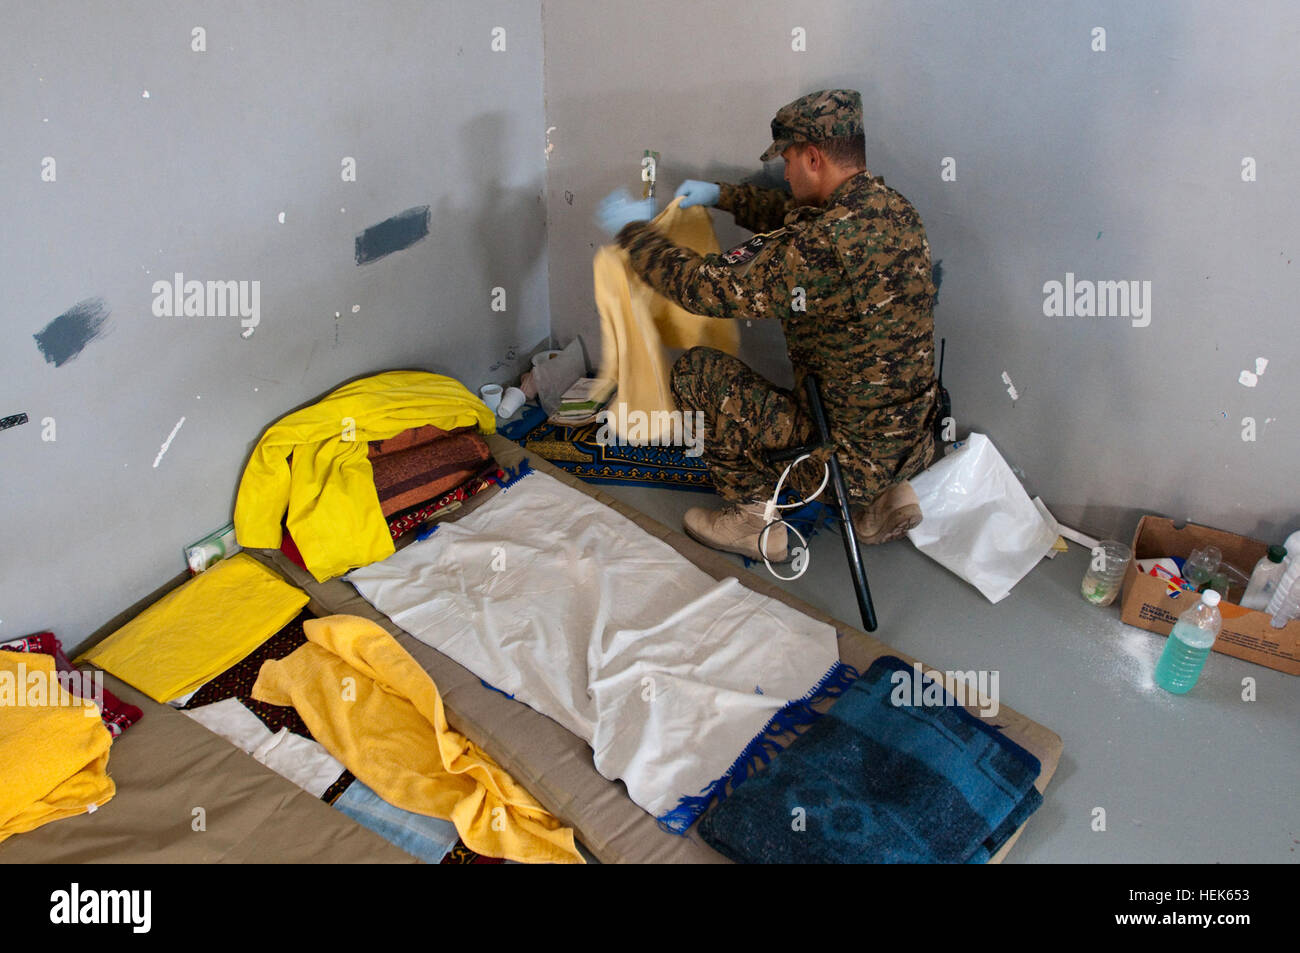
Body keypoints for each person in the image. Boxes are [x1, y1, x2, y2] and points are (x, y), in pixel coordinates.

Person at [596, 89, 938, 563]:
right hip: (911, 441)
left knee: (697, 372)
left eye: (789, 160)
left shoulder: (822, 246)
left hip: (843, 459)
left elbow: (704, 288)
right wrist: (724, 197)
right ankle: (887, 497)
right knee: (862, 400)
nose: (785, 171)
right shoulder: (895, 211)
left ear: (814, 157)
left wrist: (635, 234)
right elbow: (797, 218)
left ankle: (753, 522)